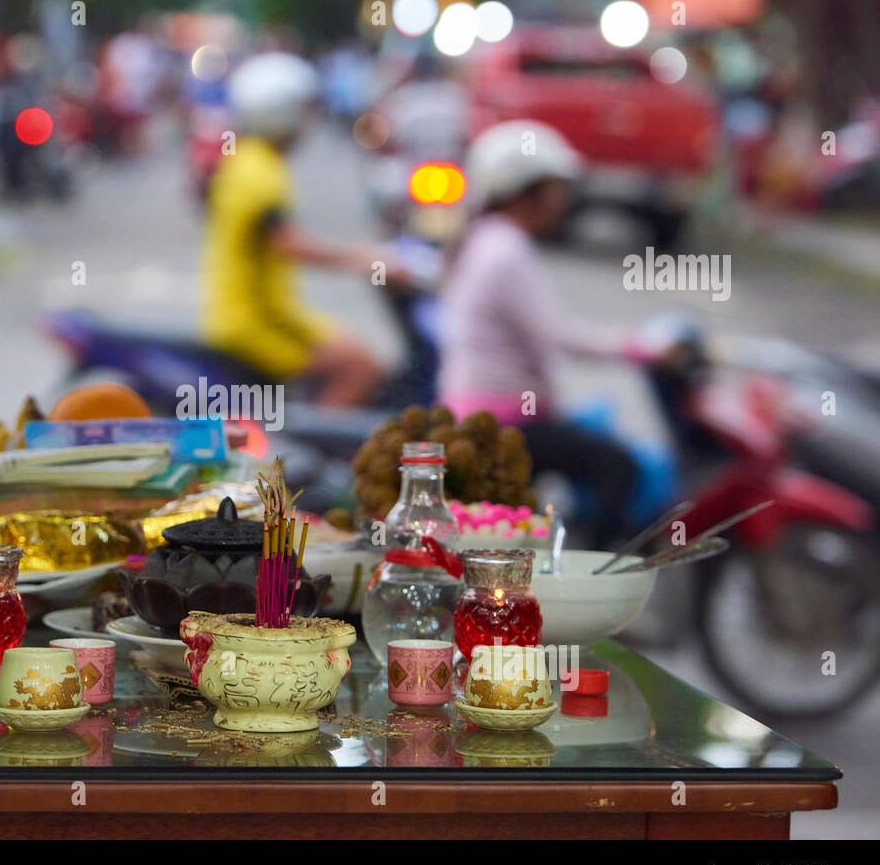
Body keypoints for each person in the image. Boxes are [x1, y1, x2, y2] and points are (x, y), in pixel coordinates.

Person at [439, 120, 657, 547]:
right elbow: (555, 336)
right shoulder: (506, 251)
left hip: (488, 417)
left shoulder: (487, 239)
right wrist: (639, 348)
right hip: (504, 423)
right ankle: (592, 569)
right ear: (528, 191)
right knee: (620, 466)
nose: (564, 201)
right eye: (556, 188)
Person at [200, 53, 385, 407]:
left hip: (261, 313)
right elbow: (288, 243)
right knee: (360, 366)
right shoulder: (261, 172)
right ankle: (317, 455)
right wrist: (363, 258)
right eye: (301, 111)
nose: (307, 122)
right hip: (257, 321)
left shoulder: (250, 159)